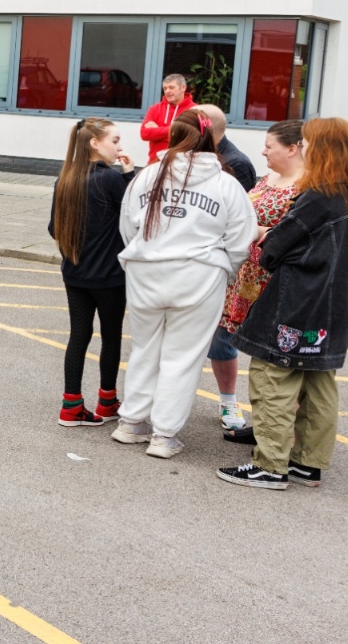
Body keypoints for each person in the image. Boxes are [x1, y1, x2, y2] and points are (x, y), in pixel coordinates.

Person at [220, 117, 348, 490]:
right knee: (319, 382)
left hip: (299, 300)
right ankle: (308, 463)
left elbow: (273, 250)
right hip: (338, 303)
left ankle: (270, 465)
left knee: (272, 376)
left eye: (306, 143)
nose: (302, 148)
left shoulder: (319, 195)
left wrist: (262, 233)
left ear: (323, 148)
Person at [112, 108, 254, 459]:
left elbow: (128, 226)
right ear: (209, 138)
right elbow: (241, 238)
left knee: (145, 348)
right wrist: (225, 269)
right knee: (183, 357)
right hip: (199, 276)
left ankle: (131, 423)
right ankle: (164, 435)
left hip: (146, 273)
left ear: (171, 136)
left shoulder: (147, 177)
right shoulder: (225, 183)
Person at [211, 119, 303, 434]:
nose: (262, 151)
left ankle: (275, 425)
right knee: (222, 340)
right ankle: (228, 402)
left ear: (292, 149)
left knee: (275, 358)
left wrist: (261, 231)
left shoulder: (307, 185)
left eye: (269, 146)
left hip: (276, 281)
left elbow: (302, 233)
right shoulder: (268, 178)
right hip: (243, 277)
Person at [47, 118, 136, 427]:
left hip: (75, 273)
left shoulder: (65, 179)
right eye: (114, 140)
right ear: (94, 143)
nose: (120, 146)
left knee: (78, 336)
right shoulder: (109, 179)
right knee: (111, 338)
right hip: (109, 276)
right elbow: (133, 218)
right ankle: (107, 402)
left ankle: (71, 406)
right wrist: (130, 175)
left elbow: (53, 229)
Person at [194, 104, 258, 191]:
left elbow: (235, 202)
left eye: (189, 127)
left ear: (205, 130)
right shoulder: (201, 152)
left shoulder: (237, 164)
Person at [138, 74, 196, 164]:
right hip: (155, 164)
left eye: (171, 87)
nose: (167, 91)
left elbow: (189, 139)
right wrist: (175, 130)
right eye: (165, 88)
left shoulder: (194, 110)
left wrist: (157, 131)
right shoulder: (154, 109)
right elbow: (144, 134)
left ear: (183, 88)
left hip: (182, 165)